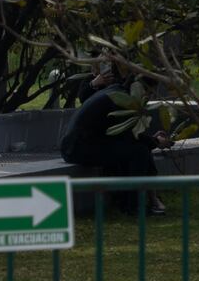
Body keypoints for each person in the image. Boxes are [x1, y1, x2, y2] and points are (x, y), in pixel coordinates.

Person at [59, 63, 172, 213]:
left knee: (138, 149)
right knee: (139, 152)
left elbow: (128, 134)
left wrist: (152, 140)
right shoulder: (121, 100)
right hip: (77, 148)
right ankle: (134, 207)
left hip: (81, 144)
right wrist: (156, 142)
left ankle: (149, 200)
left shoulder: (118, 93)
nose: (149, 97)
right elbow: (130, 136)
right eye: (150, 92)